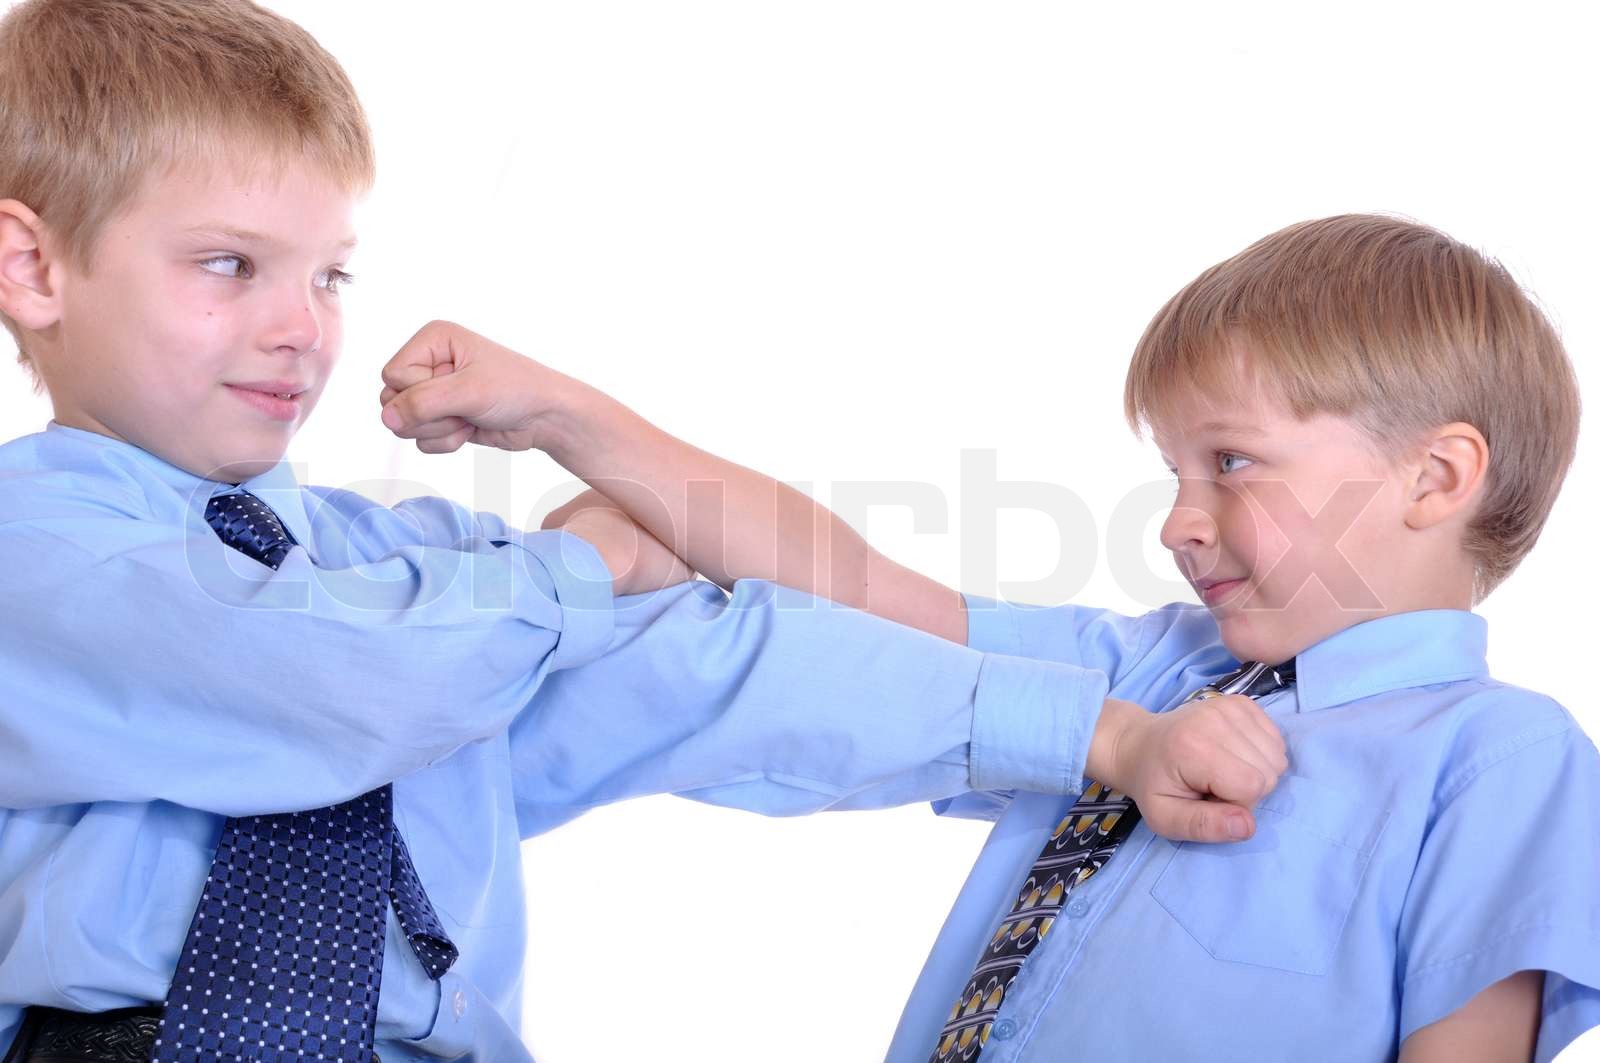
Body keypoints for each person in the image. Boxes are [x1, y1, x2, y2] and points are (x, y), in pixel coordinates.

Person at [0, 2, 1281, 1060]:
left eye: (328, 273)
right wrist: (590, 560)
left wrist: (1098, 735)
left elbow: (713, 672)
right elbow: (350, 683)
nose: (302, 326)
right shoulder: (37, 545)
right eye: (229, 265)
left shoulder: (409, 575)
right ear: (35, 268)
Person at [377, 213, 1600, 1062]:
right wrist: (563, 416)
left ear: (1434, 476)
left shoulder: (1498, 758)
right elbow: (858, 592)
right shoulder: (1144, 676)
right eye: (1175, 470)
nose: (1179, 520)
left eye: (1230, 462)